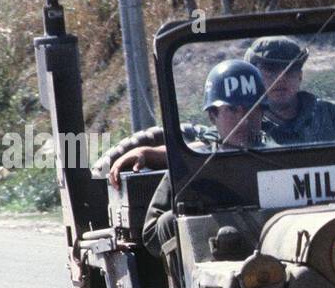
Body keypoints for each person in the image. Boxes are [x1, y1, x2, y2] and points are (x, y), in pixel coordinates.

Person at [106, 59, 270, 258]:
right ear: (212, 116)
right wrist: (191, 219)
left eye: (252, 109)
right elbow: (151, 234)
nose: (244, 118)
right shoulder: (193, 163)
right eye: (233, 110)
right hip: (205, 264)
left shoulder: (282, 158)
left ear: (263, 112)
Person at [244, 36, 335, 144]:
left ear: (300, 77)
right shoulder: (243, 125)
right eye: (270, 69)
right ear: (254, 78)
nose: (281, 78)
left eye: (290, 69)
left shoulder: (333, 116)